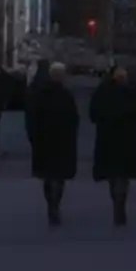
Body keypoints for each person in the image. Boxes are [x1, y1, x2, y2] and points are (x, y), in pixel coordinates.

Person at [90, 65, 136, 226]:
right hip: (128, 139)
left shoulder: (102, 92)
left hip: (108, 138)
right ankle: (119, 202)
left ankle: (117, 200)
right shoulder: (133, 93)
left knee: (113, 174)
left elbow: (93, 114)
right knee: (123, 174)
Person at [26, 62, 79, 226]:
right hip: (62, 143)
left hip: (45, 142)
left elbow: (32, 119)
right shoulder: (66, 96)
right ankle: (55, 204)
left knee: (48, 176)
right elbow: (74, 121)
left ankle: (52, 203)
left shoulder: (40, 95)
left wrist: (34, 138)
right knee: (59, 176)